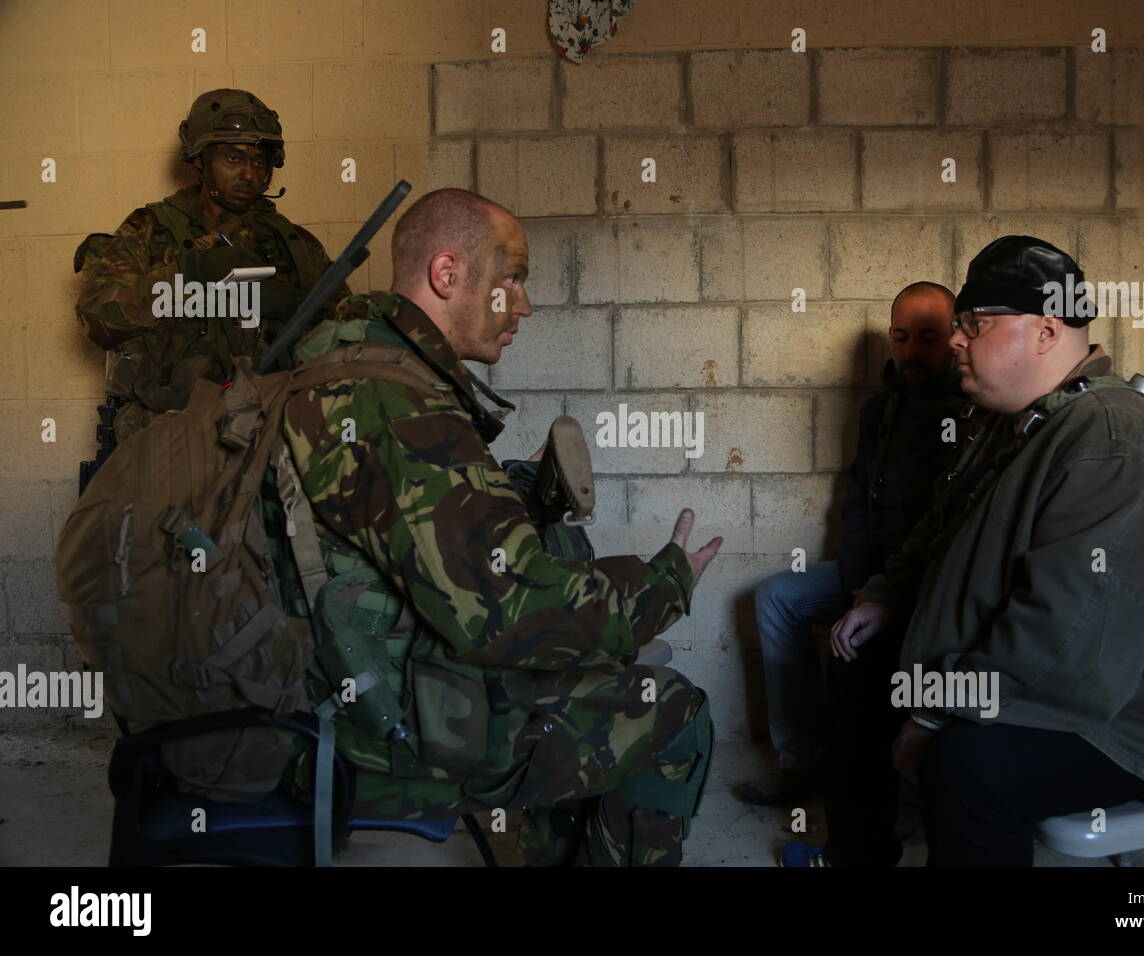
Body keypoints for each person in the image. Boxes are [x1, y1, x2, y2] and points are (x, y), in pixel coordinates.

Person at [281, 187, 722, 866]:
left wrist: (508, 488)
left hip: (340, 692)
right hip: (386, 731)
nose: (524, 303)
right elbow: (509, 612)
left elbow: (406, 529)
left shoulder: (352, 372)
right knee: (668, 708)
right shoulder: (399, 408)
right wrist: (664, 585)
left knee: (581, 646)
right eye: (511, 278)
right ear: (447, 273)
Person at [834, 236, 1144, 866]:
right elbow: (941, 529)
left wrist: (934, 715)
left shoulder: (1109, 439)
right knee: (861, 659)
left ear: (1045, 330)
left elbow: (1068, 642)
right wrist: (884, 595)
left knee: (968, 765)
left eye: (974, 326)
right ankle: (858, 853)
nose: (956, 341)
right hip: (1084, 678)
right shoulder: (1019, 422)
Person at [738, 283, 964, 809]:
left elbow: (948, 526)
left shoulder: (972, 415)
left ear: (955, 338)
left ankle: (894, 789)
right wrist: (863, 582)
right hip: (871, 574)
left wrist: (886, 593)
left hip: (928, 586)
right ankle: (801, 764)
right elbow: (858, 501)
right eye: (901, 337)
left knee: (874, 652)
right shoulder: (879, 411)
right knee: (777, 597)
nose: (910, 352)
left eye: (927, 338)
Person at [74, 89, 347, 443]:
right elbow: (97, 318)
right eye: (233, 159)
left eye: (259, 161)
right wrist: (185, 272)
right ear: (200, 160)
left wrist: (298, 309)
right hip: (167, 430)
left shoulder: (292, 244)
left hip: (271, 430)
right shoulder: (150, 230)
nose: (249, 174)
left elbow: (345, 332)